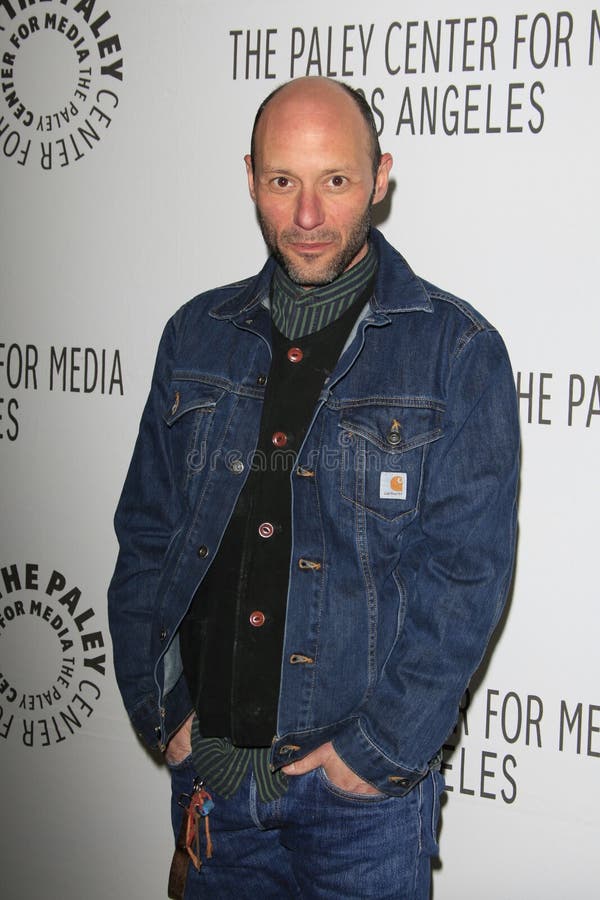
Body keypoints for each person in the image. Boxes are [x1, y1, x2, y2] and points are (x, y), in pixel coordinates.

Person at [108, 76, 519, 899]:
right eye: (281, 181)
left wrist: (374, 759)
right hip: (213, 791)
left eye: (334, 180)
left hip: (361, 813)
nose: (306, 215)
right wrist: (172, 716)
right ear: (250, 177)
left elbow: (466, 579)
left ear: (380, 177)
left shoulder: (456, 352)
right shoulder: (195, 337)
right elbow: (147, 539)